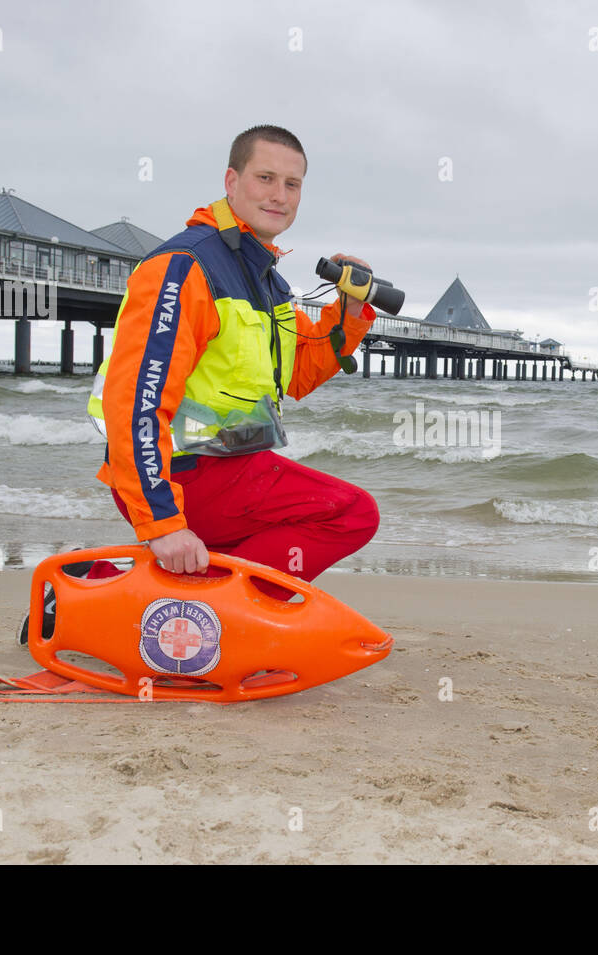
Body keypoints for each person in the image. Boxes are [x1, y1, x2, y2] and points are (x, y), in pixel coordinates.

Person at [19, 125, 379, 645]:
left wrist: (349, 309)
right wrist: (162, 521)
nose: (279, 195)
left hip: (228, 471)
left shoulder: (264, 277)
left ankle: (92, 595)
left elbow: (297, 374)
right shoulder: (186, 266)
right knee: (350, 514)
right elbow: (133, 401)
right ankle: (201, 620)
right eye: (266, 177)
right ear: (231, 181)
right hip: (185, 475)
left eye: (293, 184)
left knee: (265, 536)